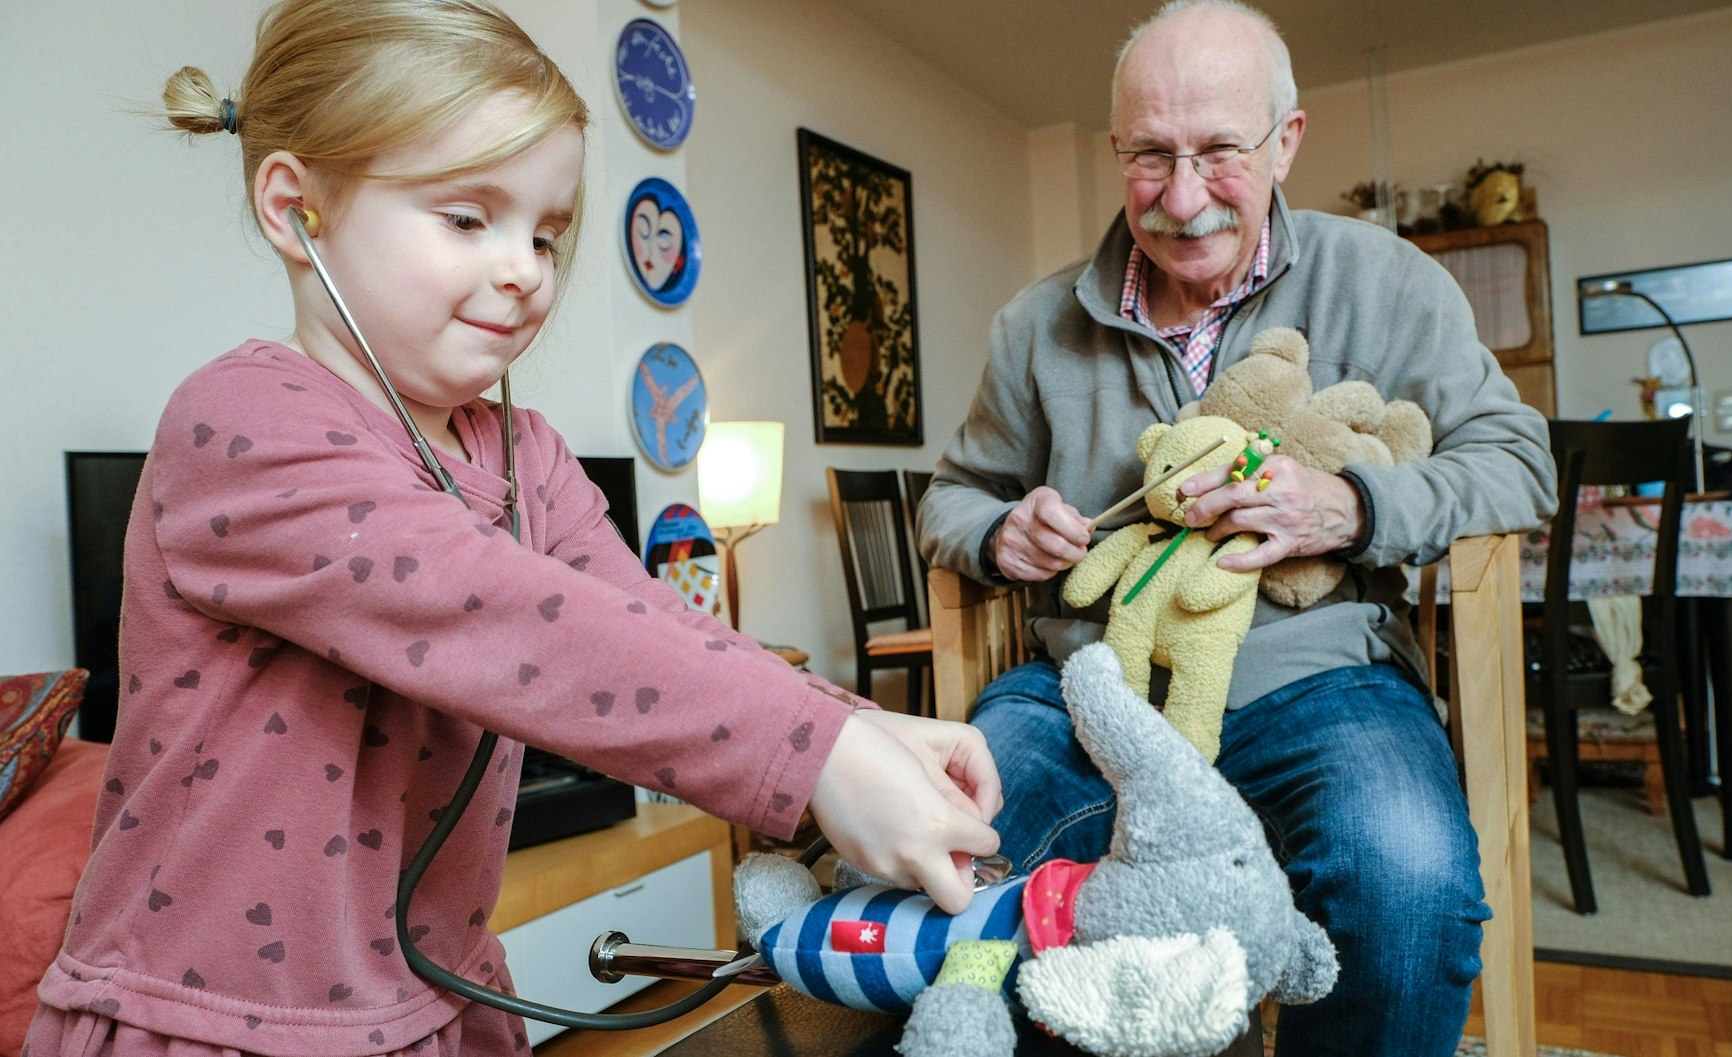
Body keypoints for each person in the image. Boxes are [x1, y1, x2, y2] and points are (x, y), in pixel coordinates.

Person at [28, 2, 998, 1054]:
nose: (526, 269)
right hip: (213, 1019)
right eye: (466, 219)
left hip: (430, 996)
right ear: (296, 210)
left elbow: (647, 628)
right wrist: (819, 758)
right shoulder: (242, 422)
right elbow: (514, 621)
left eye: (544, 234)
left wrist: (862, 726)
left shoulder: (526, 452)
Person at [917, 2, 1554, 1055]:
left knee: (1406, 883)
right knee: (951, 865)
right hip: (1089, 684)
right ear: (1115, 148)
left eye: (1219, 151)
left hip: (1321, 679)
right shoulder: (1035, 325)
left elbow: (1517, 463)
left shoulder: (1387, 281)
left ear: (1285, 142)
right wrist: (999, 533)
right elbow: (951, 498)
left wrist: (1352, 507)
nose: (1181, 198)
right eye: (1149, 156)